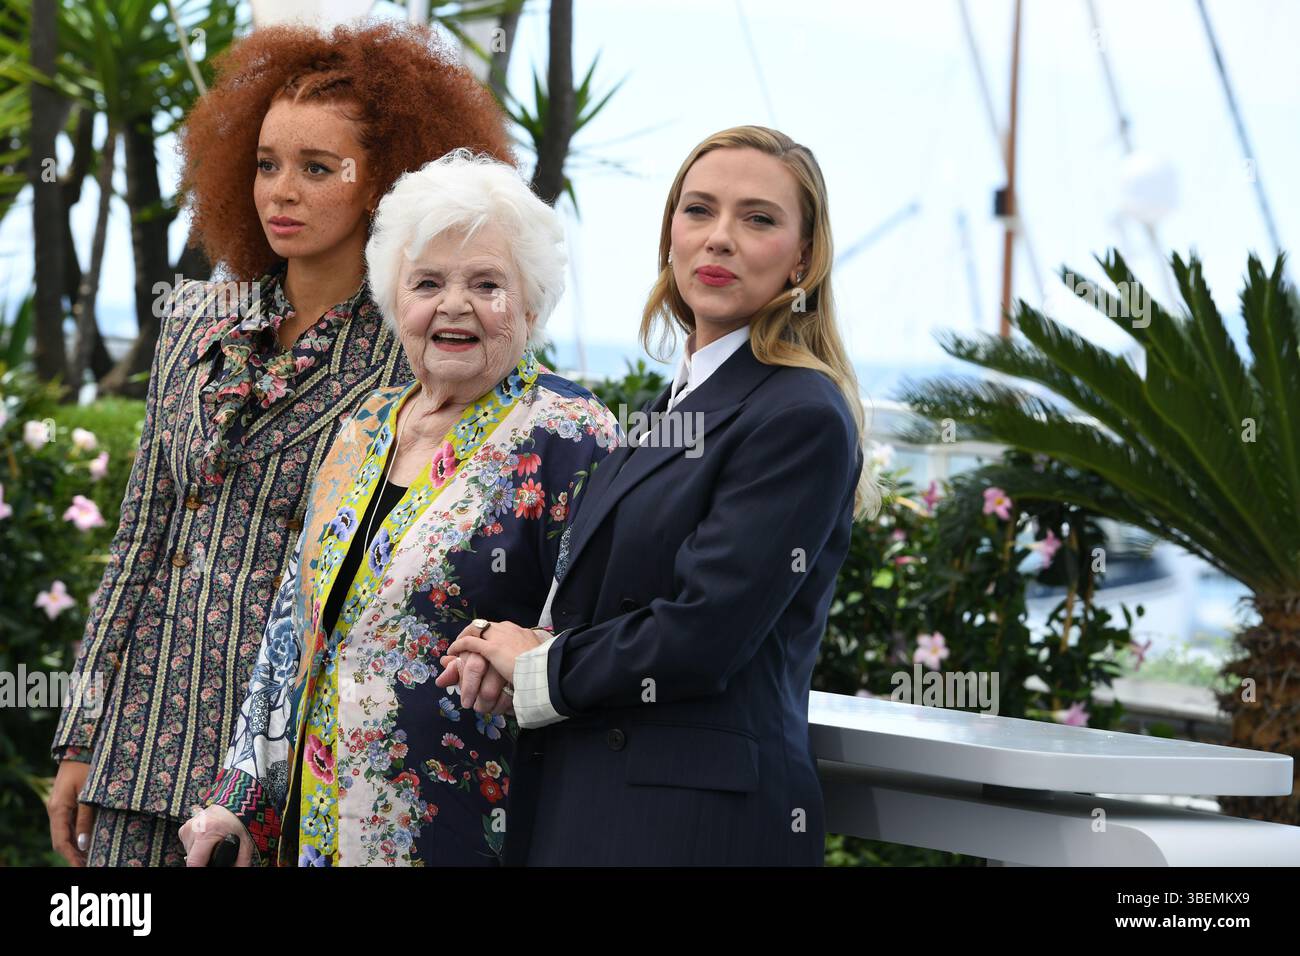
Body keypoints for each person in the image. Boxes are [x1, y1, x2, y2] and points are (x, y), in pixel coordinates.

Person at [47, 22, 513, 867]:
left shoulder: (408, 355)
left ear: (386, 186)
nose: (280, 191)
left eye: (317, 167)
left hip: (288, 768)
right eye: (266, 163)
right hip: (138, 749)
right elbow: (140, 539)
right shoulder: (194, 319)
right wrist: (82, 735)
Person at [439, 125, 881, 865]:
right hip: (596, 804)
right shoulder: (677, 402)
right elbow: (607, 601)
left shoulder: (800, 413)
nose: (720, 239)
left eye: (759, 219)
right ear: (670, 234)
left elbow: (703, 632)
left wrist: (537, 668)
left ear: (803, 257)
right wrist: (510, 647)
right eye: (698, 211)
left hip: (690, 829)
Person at [178, 150, 619, 866]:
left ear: (531, 305)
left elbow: (598, 631)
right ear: (394, 302)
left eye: (486, 284)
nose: (453, 305)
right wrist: (239, 802)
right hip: (318, 835)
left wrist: (532, 648)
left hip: (471, 832)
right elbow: (292, 635)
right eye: (428, 283)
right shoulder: (365, 427)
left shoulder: (570, 431)